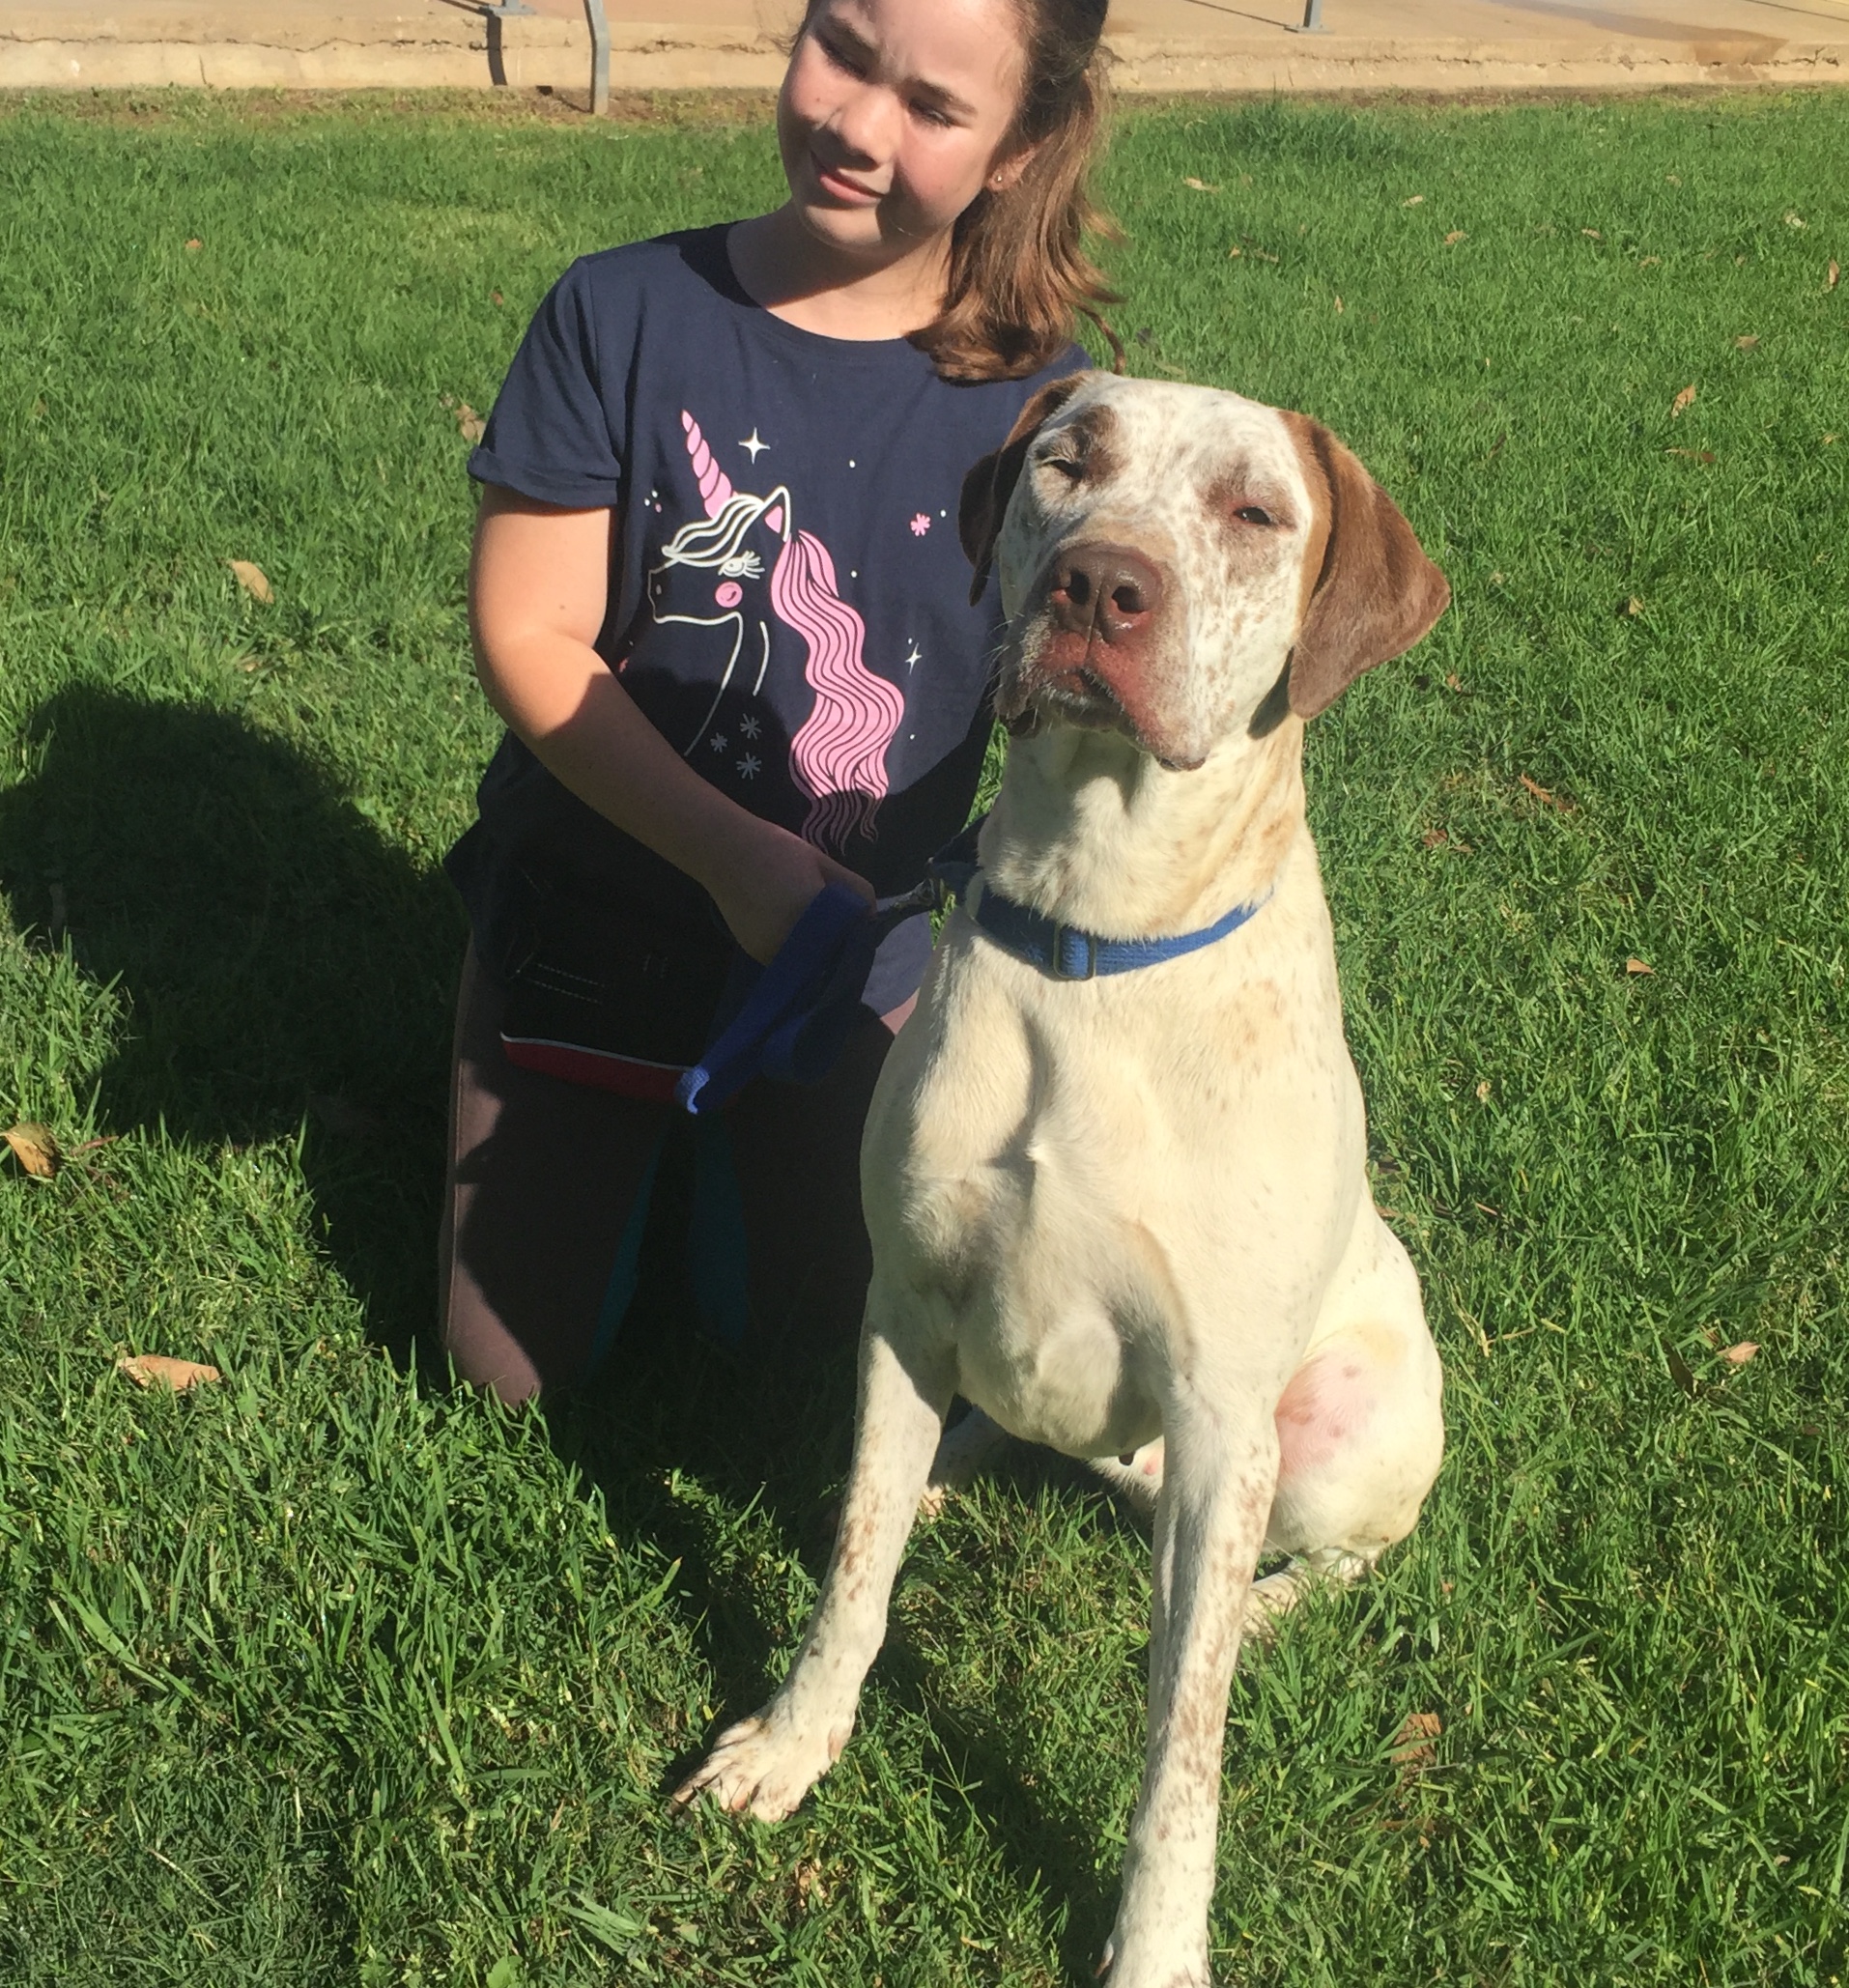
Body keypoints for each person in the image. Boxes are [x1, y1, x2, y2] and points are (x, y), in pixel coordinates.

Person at [440, 0, 1116, 1405]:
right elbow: (527, 629)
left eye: (932, 107)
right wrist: (732, 857)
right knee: (507, 1380)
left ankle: (730, 1147)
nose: (857, 124)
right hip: (590, 919)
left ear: (1019, 144)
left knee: (805, 1352)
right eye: (842, 50)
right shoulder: (618, 311)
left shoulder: (1051, 409)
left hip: (847, 961)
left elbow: (1072, 710)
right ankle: (524, 1062)